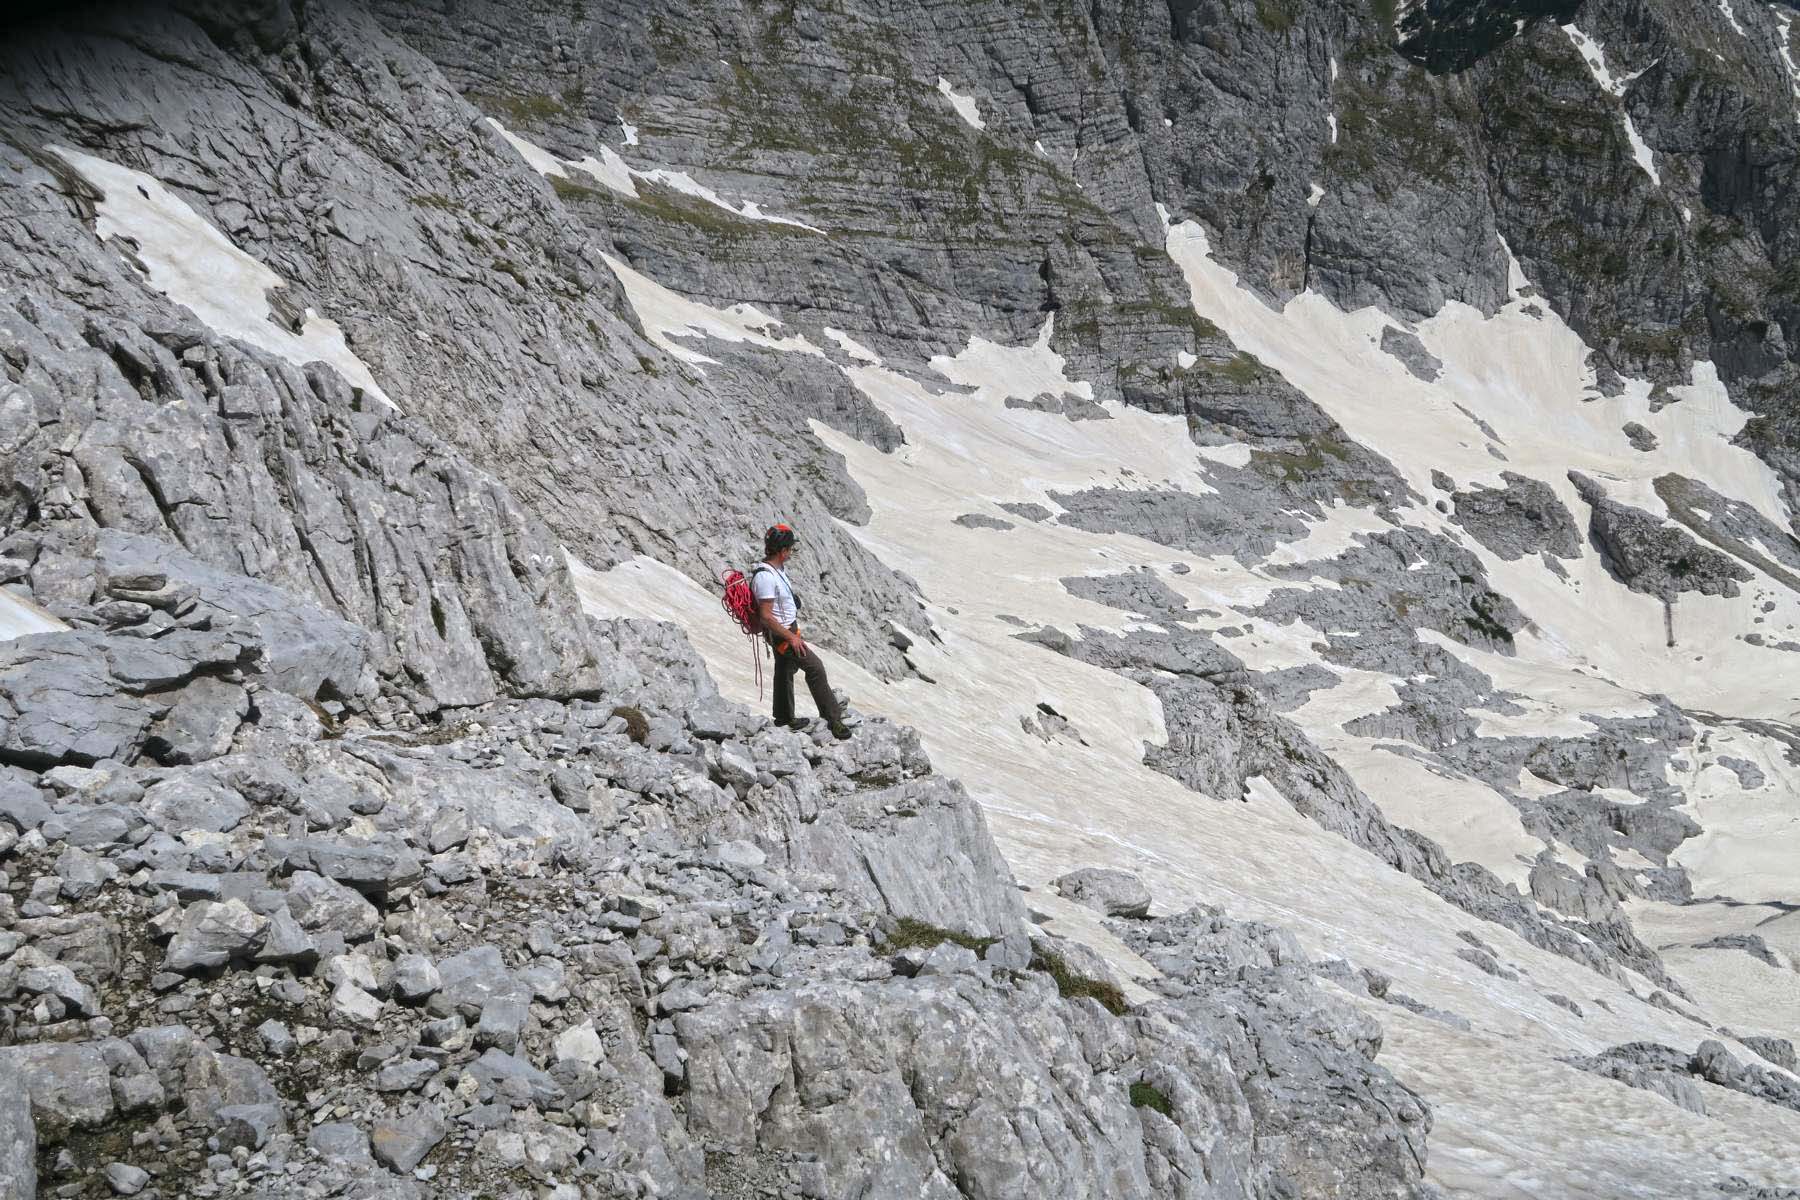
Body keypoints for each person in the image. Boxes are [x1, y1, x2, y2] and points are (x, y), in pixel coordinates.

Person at [751, 523, 853, 739]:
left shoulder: (776, 570)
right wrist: (791, 637)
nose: (791, 552)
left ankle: (784, 717)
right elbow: (766, 616)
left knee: (785, 669)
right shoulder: (766, 577)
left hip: (787, 629)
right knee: (815, 668)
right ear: (782, 551)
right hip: (782, 633)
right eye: (790, 548)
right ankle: (834, 720)